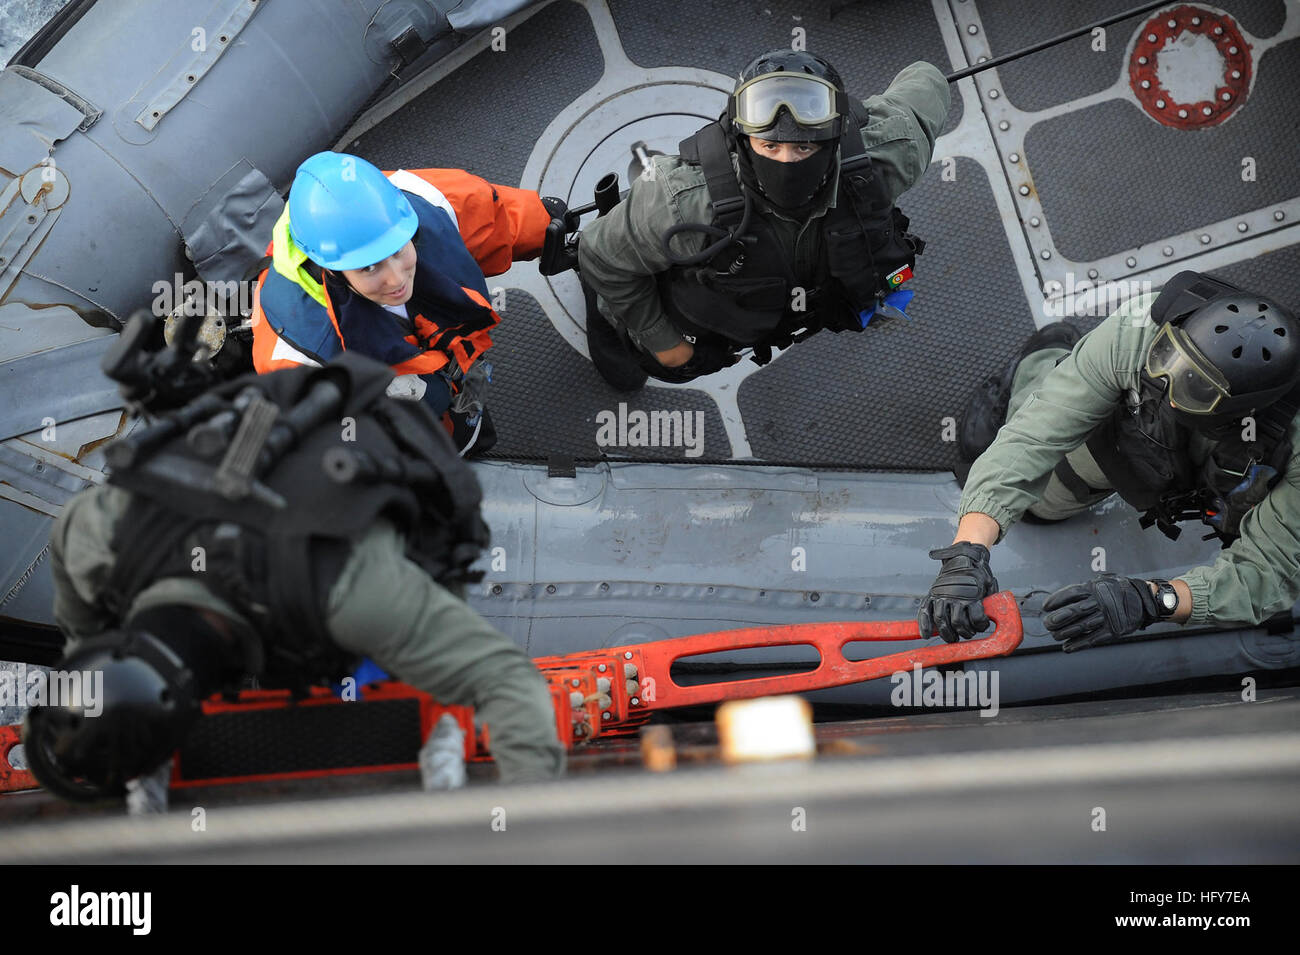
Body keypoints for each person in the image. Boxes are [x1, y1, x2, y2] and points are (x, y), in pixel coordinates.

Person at [23, 348, 565, 800]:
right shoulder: (92, 533)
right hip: (273, 447)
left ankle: (421, 694)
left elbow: (508, 682)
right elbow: (86, 645)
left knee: (388, 663)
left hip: (365, 471)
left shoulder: (353, 592)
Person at [919, 270, 1300, 651]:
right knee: (1044, 502)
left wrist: (1151, 601)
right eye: (1167, 356)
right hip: (1130, 438)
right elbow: (1036, 435)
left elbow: (1269, 568)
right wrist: (966, 553)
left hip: (1231, 472)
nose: (1161, 381)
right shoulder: (1141, 328)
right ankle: (1041, 358)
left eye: (1194, 386)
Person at [576, 50, 950, 391]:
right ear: (743, 142)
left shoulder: (891, 151)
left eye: (804, 146)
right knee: (650, 352)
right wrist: (666, 344)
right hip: (702, 330)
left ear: (835, 137)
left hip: (811, 300)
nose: (787, 162)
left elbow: (927, 81)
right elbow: (598, 255)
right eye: (770, 146)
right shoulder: (683, 200)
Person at [250, 151, 573, 455]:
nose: (396, 280)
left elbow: (492, 216)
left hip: (461, 372)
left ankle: (470, 427)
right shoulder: (294, 354)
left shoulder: (418, 202)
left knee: (474, 429)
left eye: (398, 251)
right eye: (369, 267)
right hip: (416, 433)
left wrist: (546, 226)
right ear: (329, 269)